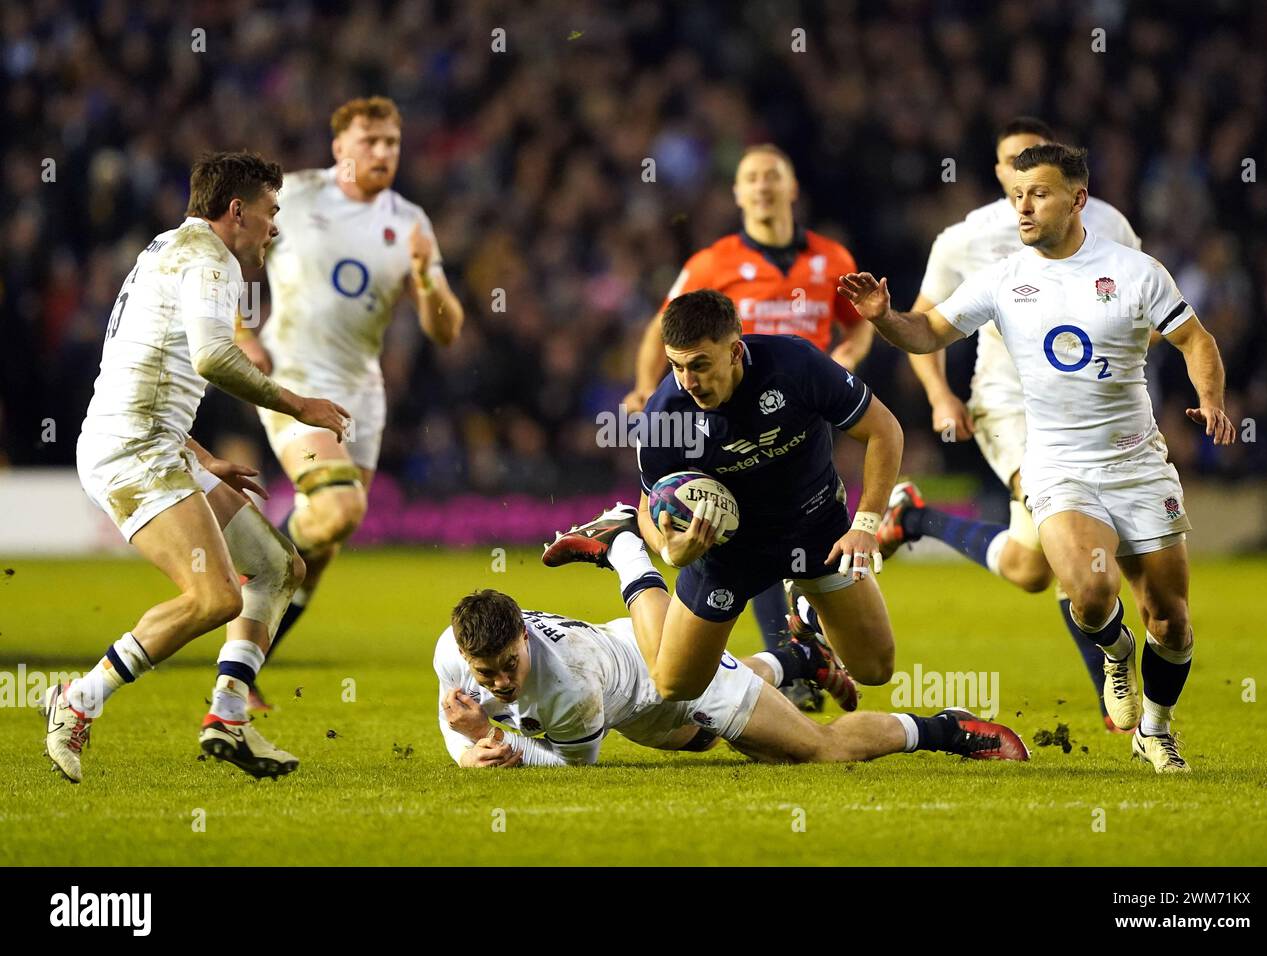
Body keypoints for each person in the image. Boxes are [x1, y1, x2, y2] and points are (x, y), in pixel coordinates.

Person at [838, 144, 1236, 773]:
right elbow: (929, 331)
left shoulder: (1135, 271)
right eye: (1018, 194)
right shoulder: (1004, 278)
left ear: (1078, 200)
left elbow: (1195, 338)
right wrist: (886, 318)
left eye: (1039, 194)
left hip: (1137, 465)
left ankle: (1155, 730)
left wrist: (1211, 400)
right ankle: (1113, 651)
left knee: (1173, 624)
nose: (1023, 206)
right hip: (1057, 466)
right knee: (1090, 592)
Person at [47, 151, 351, 783]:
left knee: (278, 567)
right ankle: (77, 700)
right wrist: (300, 406)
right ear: (235, 210)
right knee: (215, 596)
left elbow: (150, 365)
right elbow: (213, 358)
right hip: (131, 452)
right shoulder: (209, 260)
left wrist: (206, 457)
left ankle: (228, 718)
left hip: (160, 443)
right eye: (271, 212)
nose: (275, 228)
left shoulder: (169, 249)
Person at [882, 117, 1144, 732]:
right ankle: (1112, 685)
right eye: (1009, 160)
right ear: (997, 171)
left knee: (1032, 569)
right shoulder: (966, 239)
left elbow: (1137, 303)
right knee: (1061, 522)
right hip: (1008, 407)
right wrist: (941, 395)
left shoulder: (1107, 223)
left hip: (1089, 408)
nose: (1021, 168)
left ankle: (915, 518)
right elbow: (925, 323)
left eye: (1032, 155)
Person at [545, 288, 903, 711]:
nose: (688, 382)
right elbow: (649, 506)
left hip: (816, 527)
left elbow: (884, 430)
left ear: (734, 352)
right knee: (674, 684)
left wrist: (864, 526)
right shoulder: (664, 416)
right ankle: (623, 549)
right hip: (727, 549)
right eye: (677, 366)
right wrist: (667, 548)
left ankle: (805, 616)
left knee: (875, 669)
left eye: (700, 365)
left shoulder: (795, 365)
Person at [623, 144, 874, 710]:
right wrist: (647, 389)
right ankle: (796, 650)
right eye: (750, 179)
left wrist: (848, 359)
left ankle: (803, 630)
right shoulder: (713, 263)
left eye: (772, 177)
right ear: (736, 194)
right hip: (718, 416)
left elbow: (856, 324)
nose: (761, 187)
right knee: (744, 521)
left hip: (799, 402)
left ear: (792, 188)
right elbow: (665, 327)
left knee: (794, 510)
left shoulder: (832, 257)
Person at [236, 96, 464, 707]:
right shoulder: (297, 195)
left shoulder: (410, 220)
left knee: (327, 543)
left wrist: (425, 278)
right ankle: (256, 565)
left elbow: (446, 331)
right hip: (293, 377)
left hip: (362, 393)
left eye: (392, 141)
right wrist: (238, 332)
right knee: (337, 510)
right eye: (371, 141)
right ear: (340, 147)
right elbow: (220, 251)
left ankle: (243, 669)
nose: (384, 152)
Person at [435, 589, 1027, 768]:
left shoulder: (568, 687)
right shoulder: (452, 652)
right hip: (633, 690)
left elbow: (573, 764)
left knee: (816, 753)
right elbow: (451, 719)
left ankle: (947, 730)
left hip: (664, 683)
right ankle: (798, 660)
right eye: (488, 673)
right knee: (706, 741)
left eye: (512, 664)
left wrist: (489, 740)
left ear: (523, 637)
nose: (503, 680)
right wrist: (464, 741)